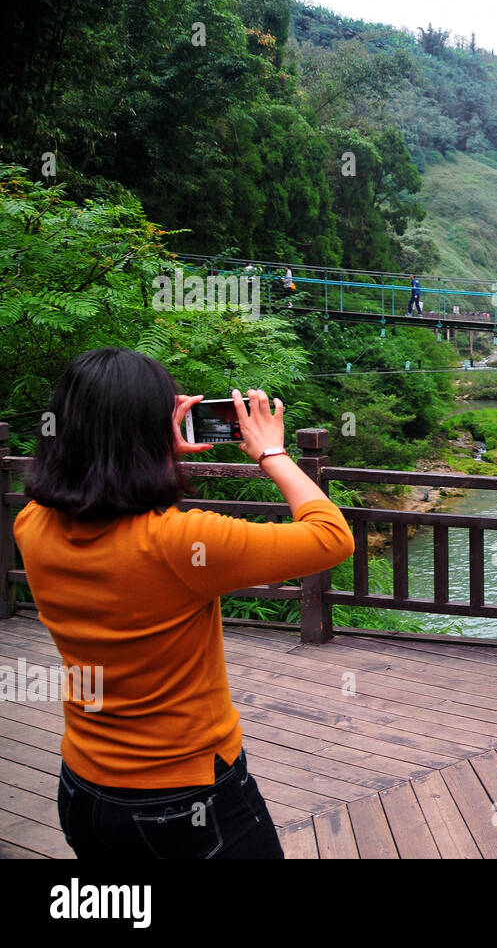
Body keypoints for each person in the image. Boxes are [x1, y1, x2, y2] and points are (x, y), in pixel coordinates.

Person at [14, 347, 354, 858]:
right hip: (186, 797)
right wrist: (271, 453)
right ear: (153, 432)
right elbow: (331, 536)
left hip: (83, 788)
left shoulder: (32, 523)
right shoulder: (180, 543)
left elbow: (115, 516)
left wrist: (151, 452)